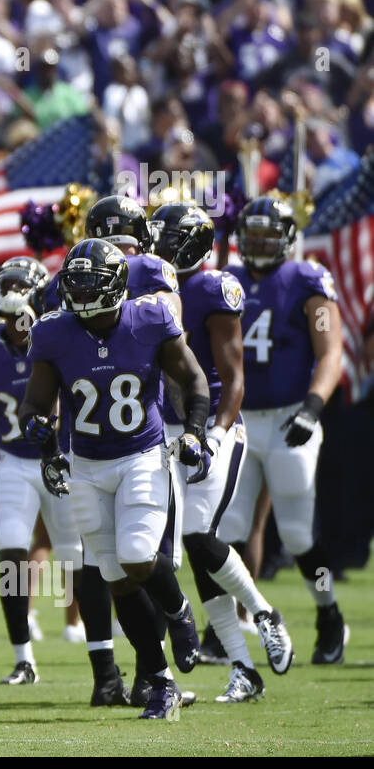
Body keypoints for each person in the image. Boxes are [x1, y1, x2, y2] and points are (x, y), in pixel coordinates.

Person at [18, 238, 208, 720]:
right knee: (116, 578)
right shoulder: (54, 333)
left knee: (139, 556)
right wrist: (41, 435)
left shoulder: (150, 319)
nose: (80, 292)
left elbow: (193, 380)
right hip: (87, 463)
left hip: (141, 455)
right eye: (74, 282)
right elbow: (36, 404)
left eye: (90, 283)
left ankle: (179, 607)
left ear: (117, 285)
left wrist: (197, 433)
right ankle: (161, 683)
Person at [149, 203, 293, 702]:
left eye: (164, 236)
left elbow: (233, 379)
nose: (155, 243)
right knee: (184, 547)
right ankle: (244, 669)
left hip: (212, 424)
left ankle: (263, 612)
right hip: (162, 430)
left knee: (196, 536)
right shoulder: (150, 282)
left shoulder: (212, 288)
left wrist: (216, 434)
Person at [0, 257, 103, 692]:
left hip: (67, 459)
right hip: (15, 461)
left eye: (23, 315)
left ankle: (101, 656)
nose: (17, 325)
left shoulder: (62, 337)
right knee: (12, 553)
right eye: (8, 315)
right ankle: (24, 659)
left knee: (77, 556)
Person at [222, 197, 349, 664]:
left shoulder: (307, 280)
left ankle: (328, 611)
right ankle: (233, 625)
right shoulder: (227, 280)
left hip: (288, 419)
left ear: (288, 240)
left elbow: (330, 351)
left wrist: (312, 408)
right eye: (250, 236)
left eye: (266, 236)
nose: (257, 244)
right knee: (231, 528)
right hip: (238, 421)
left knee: (296, 536)